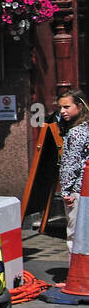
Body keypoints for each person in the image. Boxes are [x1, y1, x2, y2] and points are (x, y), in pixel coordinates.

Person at [57, 89, 89, 252]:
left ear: (80, 106)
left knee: (74, 235)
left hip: (77, 190)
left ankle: (75, 275)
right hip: (86, 188)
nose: (62, 111)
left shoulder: (75, 132)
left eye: (67, 107)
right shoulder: (86, 128)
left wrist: (65, 191)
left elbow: (72, 163)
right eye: (61, 108)